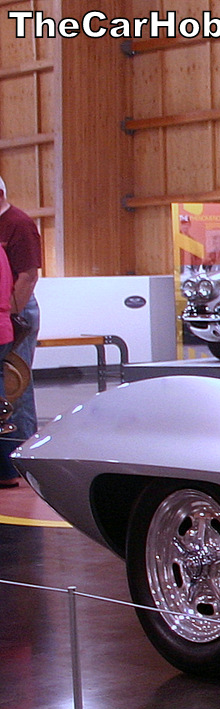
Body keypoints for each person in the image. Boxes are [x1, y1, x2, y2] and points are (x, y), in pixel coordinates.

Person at [0, 175, 41, 490]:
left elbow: (28, 276)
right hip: (6, 306)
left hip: (16, 307)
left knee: (17, 384)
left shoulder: (19, 223)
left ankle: (24, 453)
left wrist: (11, 315)